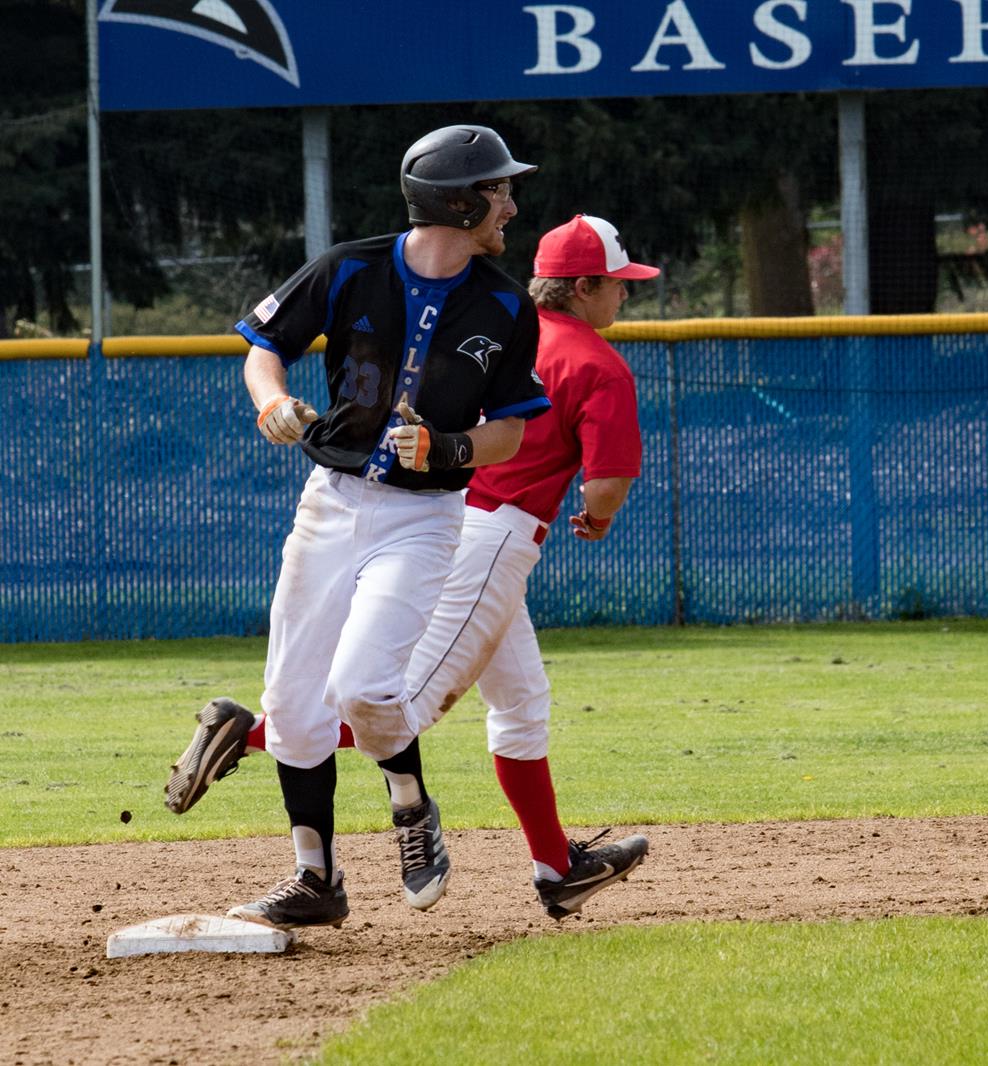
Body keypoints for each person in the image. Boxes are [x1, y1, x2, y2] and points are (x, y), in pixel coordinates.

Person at [168, 213, 654, 920]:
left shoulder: (502, 318)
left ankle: (557, 867)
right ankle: (250, 735)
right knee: (405, 699)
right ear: (583, 287)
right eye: (618, 285)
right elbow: (604, 486)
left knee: (521, 704)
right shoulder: (591, 361)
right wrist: (599, 519)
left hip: (438, 515)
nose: (625, 297)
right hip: (483, 537)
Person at [217, 124, 550, 931]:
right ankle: (315, 878)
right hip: (331, 504)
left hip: (422, 516)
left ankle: (412, 805)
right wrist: (271, 401)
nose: (510, 201)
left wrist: (453, 445)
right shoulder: (349, 269)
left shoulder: (504, 304)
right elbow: (263, 346)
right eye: (498, 189)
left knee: (363, 686)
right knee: (292, 706)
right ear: (459, 201)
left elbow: (511, 429)